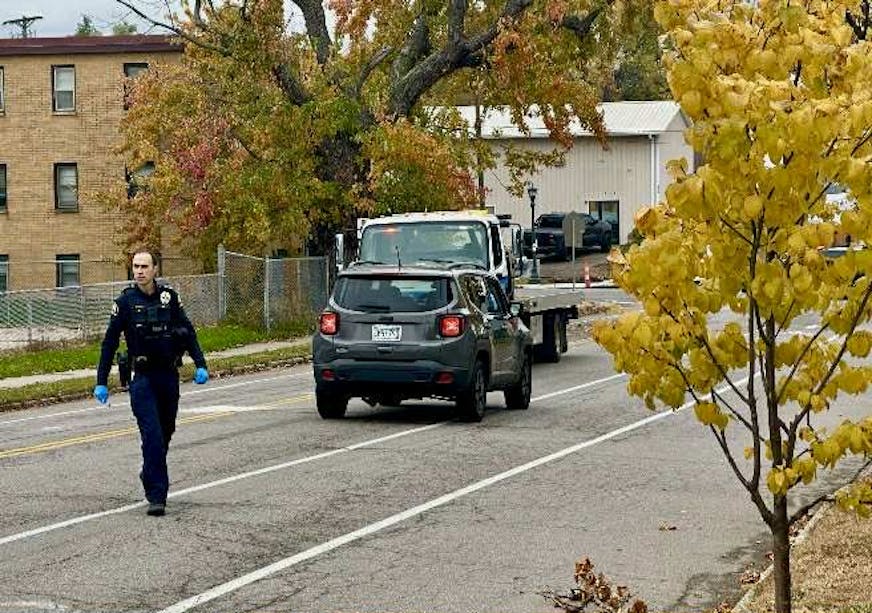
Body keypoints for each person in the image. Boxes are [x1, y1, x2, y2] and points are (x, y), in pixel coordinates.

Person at [93, 249, 209, 517]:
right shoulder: (124, 302)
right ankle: (157, 496)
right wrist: (101, 381)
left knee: (166, 432)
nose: (140, 271)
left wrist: (201, 363)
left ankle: (149, 470)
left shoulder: (169, 298)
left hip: (168, 376)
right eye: (136, 266)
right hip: (142, 378)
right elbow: (109, 343)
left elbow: (188, 332)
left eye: (145, 266)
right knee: (152, 435)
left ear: (156, 269)